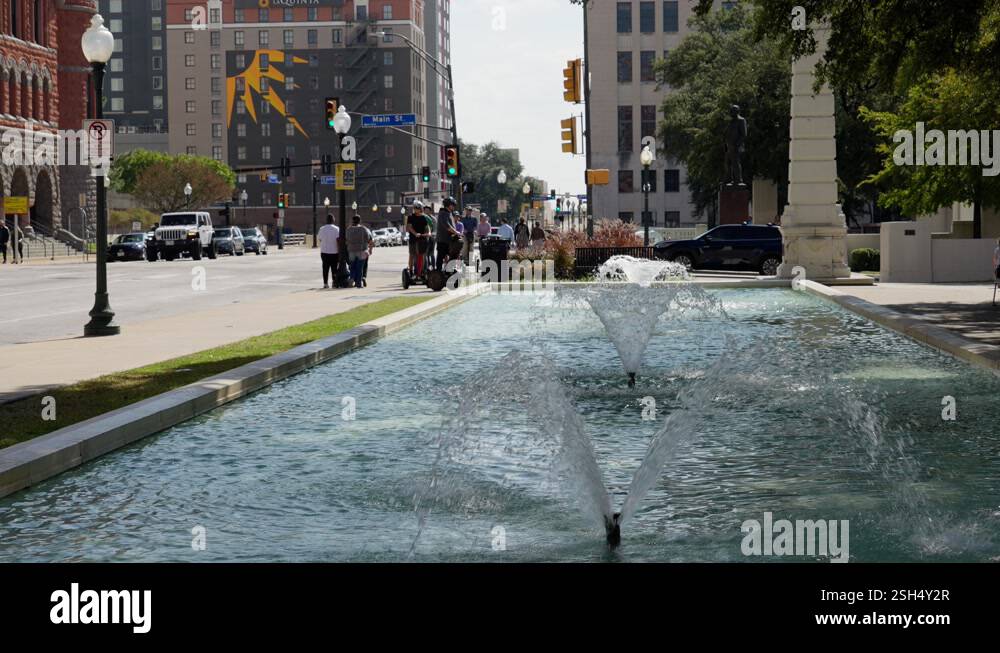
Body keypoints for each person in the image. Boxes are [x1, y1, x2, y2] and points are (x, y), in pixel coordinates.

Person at [345, 215, 373, 289]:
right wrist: (370, 249)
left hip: (351, 250)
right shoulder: (364, 229)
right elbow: (369, 239)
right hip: (361, 250)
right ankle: (359, 283)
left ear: (352, 221)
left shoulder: (348, 229)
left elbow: (346, 240)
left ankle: (351, 278)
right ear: (360, 220)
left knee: (352, 266)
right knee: (360, 267)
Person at [436, 197, 461, 271]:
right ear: (447, 205)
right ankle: (438, 272)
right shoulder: (443, 213)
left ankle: (449, 270)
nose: (454, 206)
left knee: (453, 254)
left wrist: (456, 233)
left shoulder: (449, 213)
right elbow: (447, 226)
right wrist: (456, 232)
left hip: (449, 240)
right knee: (440, 257)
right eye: (452, 204)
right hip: (443, 239)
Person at [318, 214, 340, 288]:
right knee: (334, 269)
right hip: (334, 252)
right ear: (333, 220)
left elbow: (320, 239)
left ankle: (325, 283)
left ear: (326, 220)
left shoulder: (322, 229)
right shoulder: (337, 229)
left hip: (324, 251)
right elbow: (338, 240)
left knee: (325, 268)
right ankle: (334, 282)